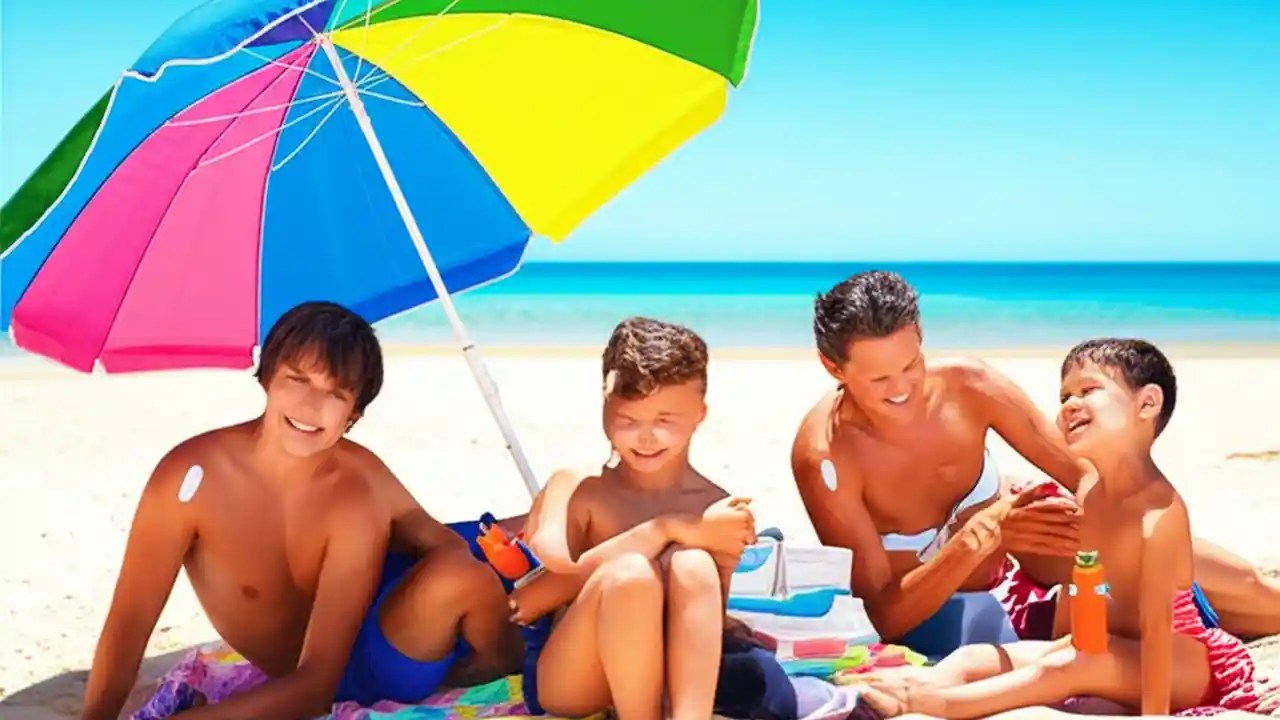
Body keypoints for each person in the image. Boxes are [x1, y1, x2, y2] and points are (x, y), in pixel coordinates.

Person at [82, 302, 521, 720]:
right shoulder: (190, 478)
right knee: (480, 559)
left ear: (354, 413)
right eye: (297, 379)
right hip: (344, 658)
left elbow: (317, 688)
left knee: (485, 553)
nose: (311, 406)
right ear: (266, 377)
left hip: (373, 653)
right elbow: (128, 626)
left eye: (335, 393)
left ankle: (495, 662)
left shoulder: (355, 484)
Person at [791, 270, 1280, 644]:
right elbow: (881, 616)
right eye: (879, 380)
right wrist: (980, 538)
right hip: (954, 618)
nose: (903, 389)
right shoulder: (826, 458)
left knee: (1246, 588)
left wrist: (1114, 535)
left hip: (1028, 556)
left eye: (911, 364)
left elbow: (1087, 473)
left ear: (920, 336)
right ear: (832, 366)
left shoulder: (969, 386)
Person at [856, 338, 1263, 717]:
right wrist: (1057, 649)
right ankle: (912, 681)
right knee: (977, 658)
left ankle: (924, 701)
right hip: (1104, 652)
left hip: (1177, 664)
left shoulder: (1159, 513)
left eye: (1088, 391)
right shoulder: (1090, 494)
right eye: (1064, 396)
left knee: (1070, 665)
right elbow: (1080, 587)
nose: (1069, 405)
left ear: (1147, 404)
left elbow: (1157, 629)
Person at [504, 317, 802, 720]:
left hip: (670, 677)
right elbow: (527, 601)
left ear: (700, 413)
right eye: (628, 420)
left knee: (692, 563)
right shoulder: (577, 490)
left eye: (664, 421)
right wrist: (664, 529)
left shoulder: (715, 507)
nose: (645, 438)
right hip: (574, 680)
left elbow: (706, 619)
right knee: (630, 576)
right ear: (605, 407)